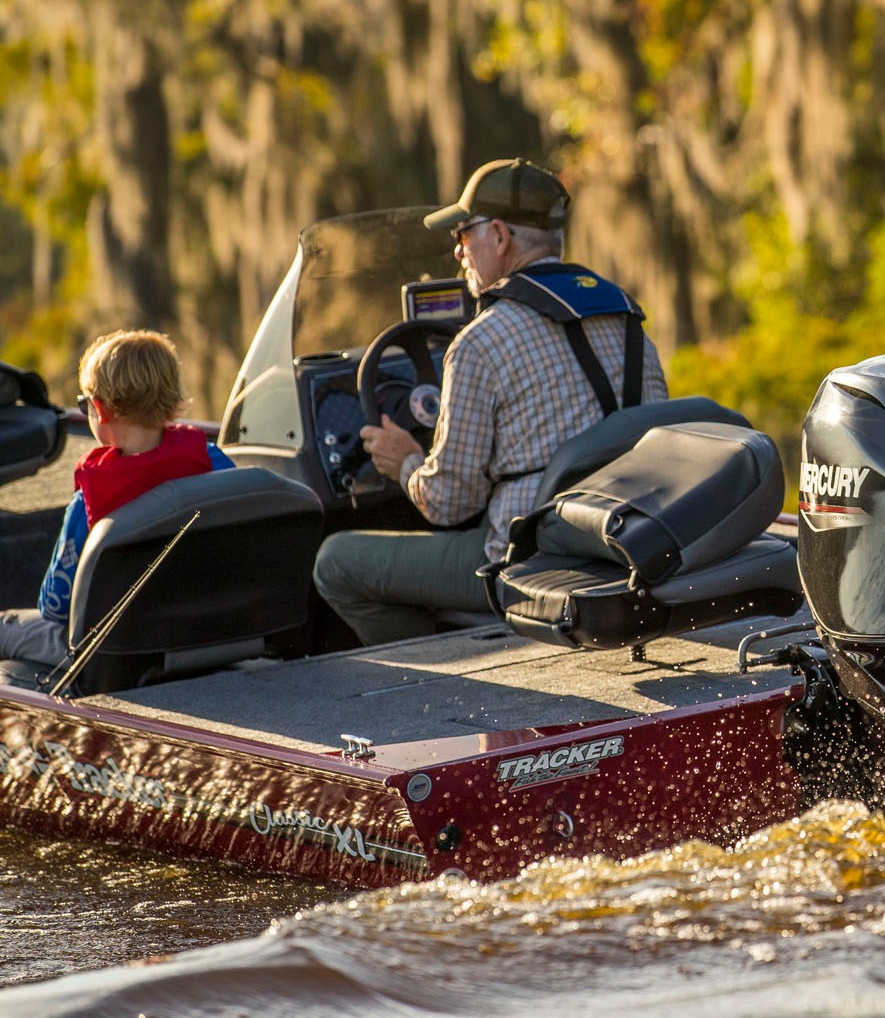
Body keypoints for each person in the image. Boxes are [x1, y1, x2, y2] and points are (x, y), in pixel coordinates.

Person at [312, 158, 669, 645]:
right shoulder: (626, 316)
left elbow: (448, 502)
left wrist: (405, 462)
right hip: (619, 547)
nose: (457, 251)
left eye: (462, 235)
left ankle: (434, 686)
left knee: (335, 561)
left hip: (522, 563)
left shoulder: (482, 341)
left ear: (499, 236)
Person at [0, 330, 234, 690]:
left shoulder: (91, 501)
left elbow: (54, 608)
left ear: (100, 410)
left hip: (113, 649)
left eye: (84, 403)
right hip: (206, 634)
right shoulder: (217, 465)